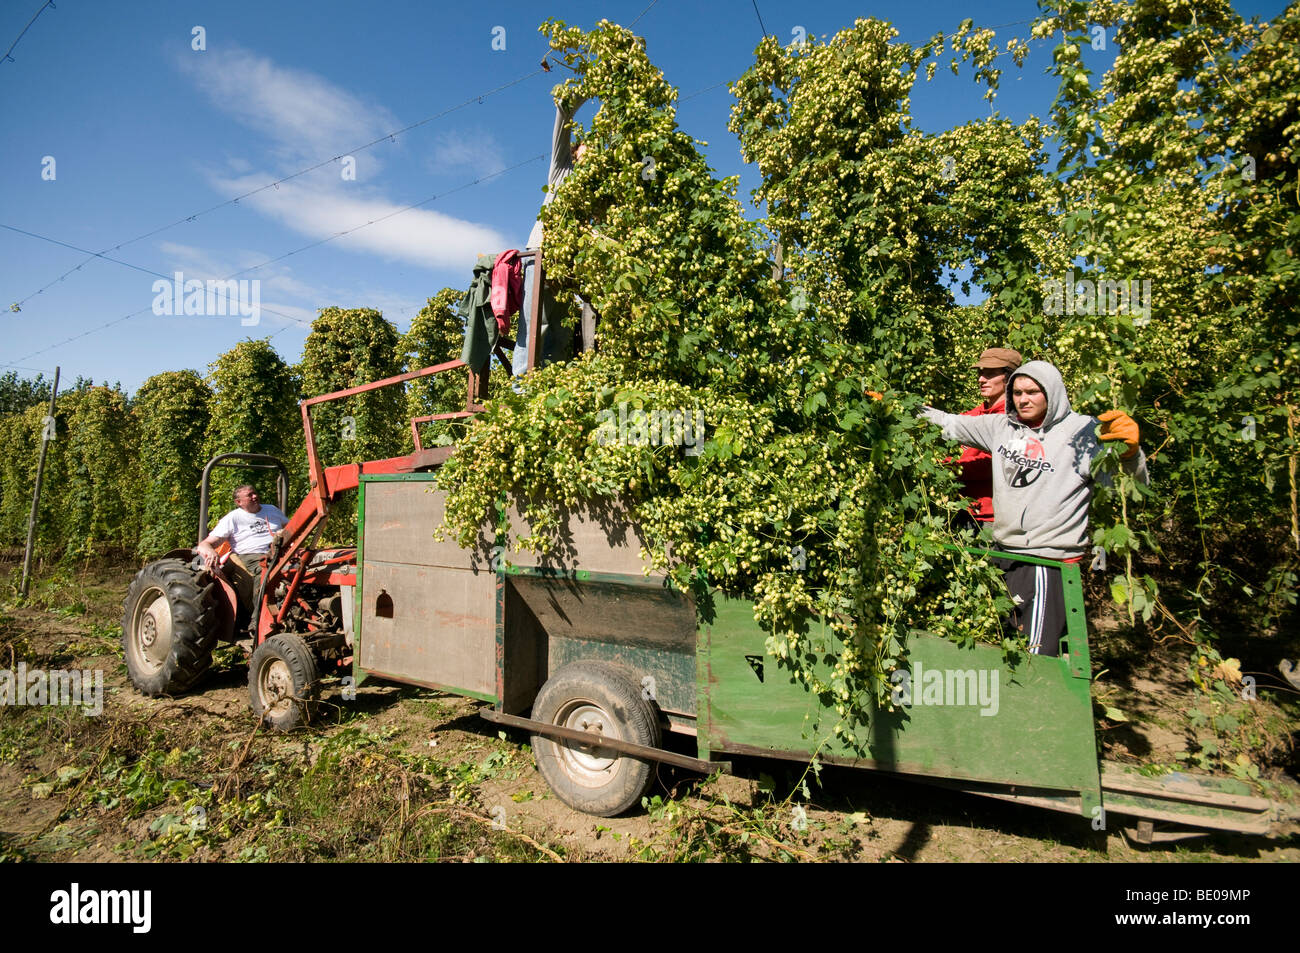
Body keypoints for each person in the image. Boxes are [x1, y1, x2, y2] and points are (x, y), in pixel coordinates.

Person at [920, 360, 1147, 656]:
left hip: (1047, 562)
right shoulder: (1001, 427)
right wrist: (900, 406)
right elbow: (950, 423)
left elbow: (1127, 487)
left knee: (1037, 655)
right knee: (1006, 647)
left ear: (1052, 393)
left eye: (1032, 392)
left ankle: (1045, 701)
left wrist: (1131, 455)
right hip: (1004, 553)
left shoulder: (1084, 433)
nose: (1023, 399)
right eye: (1017, 392)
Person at [515, 93, 588, 377]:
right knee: (535, 326)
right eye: (586, 151)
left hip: (567, 269)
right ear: (574, 154)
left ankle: (548, 389)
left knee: (561, 333)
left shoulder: (591, 195)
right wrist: (570, 105)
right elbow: (562, 129)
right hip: (540, 257)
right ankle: (521, 388)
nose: (591, 156)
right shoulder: (561, 173)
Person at [197, 484, 289, 632]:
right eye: (250, 495)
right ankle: (258, 620)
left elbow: (291, 528)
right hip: (251, 555)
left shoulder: (271, 510)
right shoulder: (233, 518)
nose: (255, 497)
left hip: (280, 552)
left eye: (255, 493)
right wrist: (211, 552)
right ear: (238, 502)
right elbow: (205, 544)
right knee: (265, 572)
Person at [952, 347, 1022, 533]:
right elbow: (944, 428)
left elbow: (997, 464)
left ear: (1010, 378)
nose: (981, 379)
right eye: (981, 373)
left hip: (995, 520)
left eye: (990, 374)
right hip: (962, 512)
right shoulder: (975, 415)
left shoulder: (1016, 419)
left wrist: (947, 468)